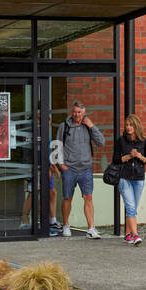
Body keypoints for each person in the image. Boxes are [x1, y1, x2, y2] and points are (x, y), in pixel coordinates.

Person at [55, 100, 105, 238]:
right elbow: (57, 145)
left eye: (79, 112)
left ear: (84, 113)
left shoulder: (88, 127)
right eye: (75, 112)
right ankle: (66, 225)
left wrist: (91, 125)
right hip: (69, 169)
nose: (76, 115)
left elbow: (101, 142)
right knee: (67, 198)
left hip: (85, 169)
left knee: (88, 197)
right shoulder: (63, 126)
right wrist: (61, 165)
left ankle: (91, 228)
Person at [113, 114, 146, 245]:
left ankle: (128, 234)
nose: (128, 127)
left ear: (136, 126)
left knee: (133, 208)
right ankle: (135, 235)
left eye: (131, 125)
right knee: (130, 206)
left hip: (139, 179)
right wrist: (129, 156)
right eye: (127, 125)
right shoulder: (121, 141)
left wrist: (140, 156)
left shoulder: (143, 141)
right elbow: (116, 159)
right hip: (125, 178)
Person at [20, 163, 62, 233]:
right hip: (35, 163)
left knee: (51, 193)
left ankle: (49, 223)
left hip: (47, 165)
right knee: (33, 193)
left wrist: (53, 166)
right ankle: (24, 222)